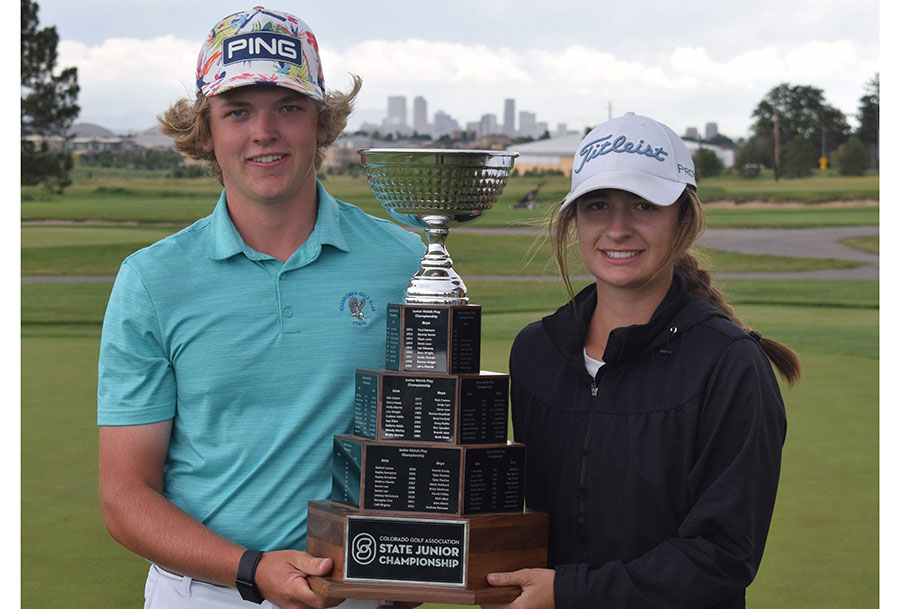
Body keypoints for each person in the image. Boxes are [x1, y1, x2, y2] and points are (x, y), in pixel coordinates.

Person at [97, 7, 423, 609]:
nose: (264, 131)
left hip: (360, 591)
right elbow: (126, 496)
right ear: (206, 131)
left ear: (321, 123)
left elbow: (429, 446)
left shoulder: (405, 262)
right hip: (205, 593)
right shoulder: (151, 279)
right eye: (238, 110)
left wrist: (413, 581)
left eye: (289, 107)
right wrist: (251, 569)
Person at [485, 112, 799, 609]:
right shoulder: (535, 351)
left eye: (644, 205)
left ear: (684, 218)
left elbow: (723, 556)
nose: (618, 228)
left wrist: (570, 592)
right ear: (574, 220)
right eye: (598, 205)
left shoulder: (730, 364)